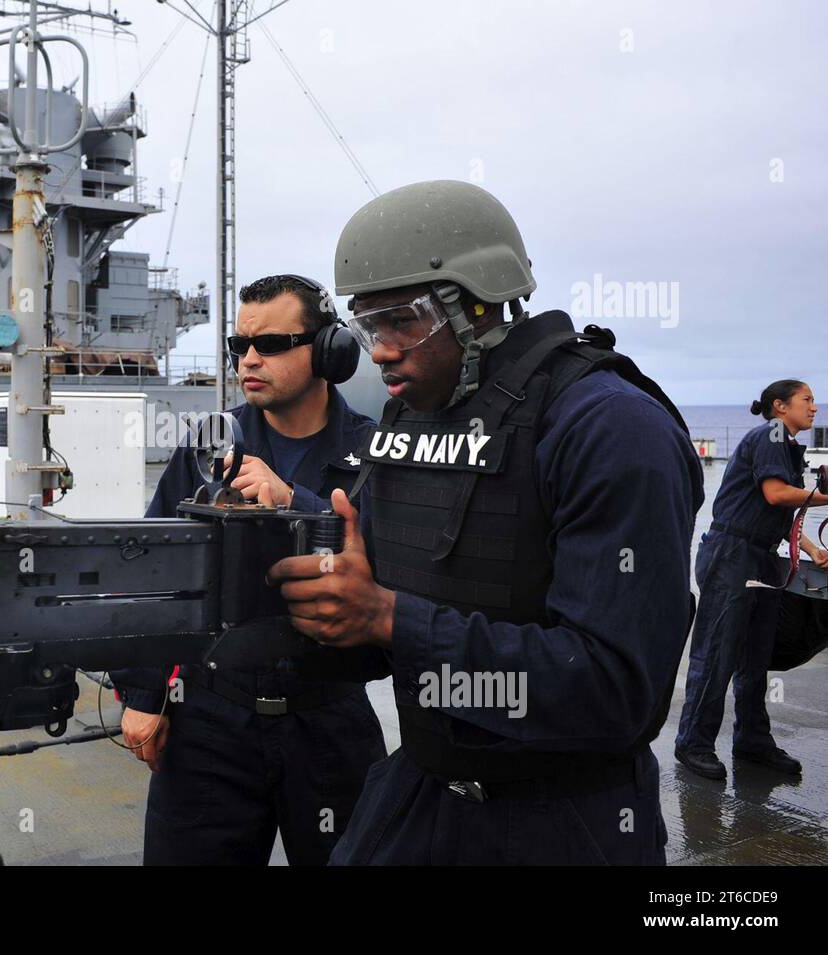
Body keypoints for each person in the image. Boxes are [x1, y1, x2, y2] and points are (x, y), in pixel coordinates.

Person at [267, 180, 705, 864]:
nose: (379, 351)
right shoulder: (414, 417)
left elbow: (616, 690)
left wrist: (388, 619)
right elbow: (384, 616)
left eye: (400, 322)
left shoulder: (610, 427)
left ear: (476, 306)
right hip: (421, 795)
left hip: (564, 823)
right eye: (366, 326)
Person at [111, 274, 388, 865]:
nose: (250, 359)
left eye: (271, 345)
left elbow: (391, 571)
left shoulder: (375, 454)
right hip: (210, 720)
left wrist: (295, 503)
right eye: (239, 347)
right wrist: (143, 692)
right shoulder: (212, 444)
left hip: (328, 720)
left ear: (327, 350)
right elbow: (155, 568)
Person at [674, 381, 828, 779]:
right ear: (780, 406)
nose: (814, 408)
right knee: (716, 654)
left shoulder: (786, 442)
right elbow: (777, 493)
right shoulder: (771, 434)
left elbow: (774, 511)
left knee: (754, 658)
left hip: (759, 555)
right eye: (806, 400)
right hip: (732, 555)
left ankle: (752, 741)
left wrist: (811, 549)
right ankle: (693, 743)